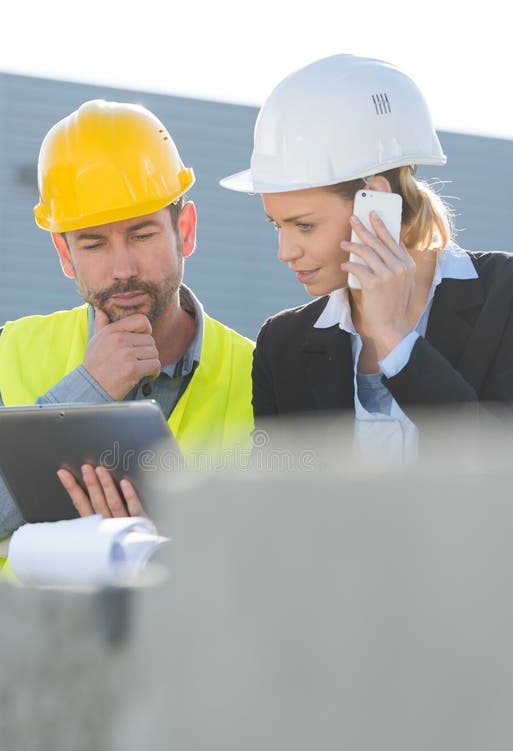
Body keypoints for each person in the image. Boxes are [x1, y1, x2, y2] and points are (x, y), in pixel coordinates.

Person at [0, 100, 254, 578]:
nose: (123, 269)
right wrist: (89, 387)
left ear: (186, 229)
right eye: (93, 243)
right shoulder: (9, 354)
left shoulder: (261, 374)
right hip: (5, 649)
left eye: (141, 235)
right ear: (64, 253)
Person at [220, 54, 513, 461]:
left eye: (304, 225)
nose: (285, 252)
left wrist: (396, 342)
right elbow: (279, 508)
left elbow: (499, 472)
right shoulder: (280, 345)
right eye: (277, 225)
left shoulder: (505, 295)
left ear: (374, 202)